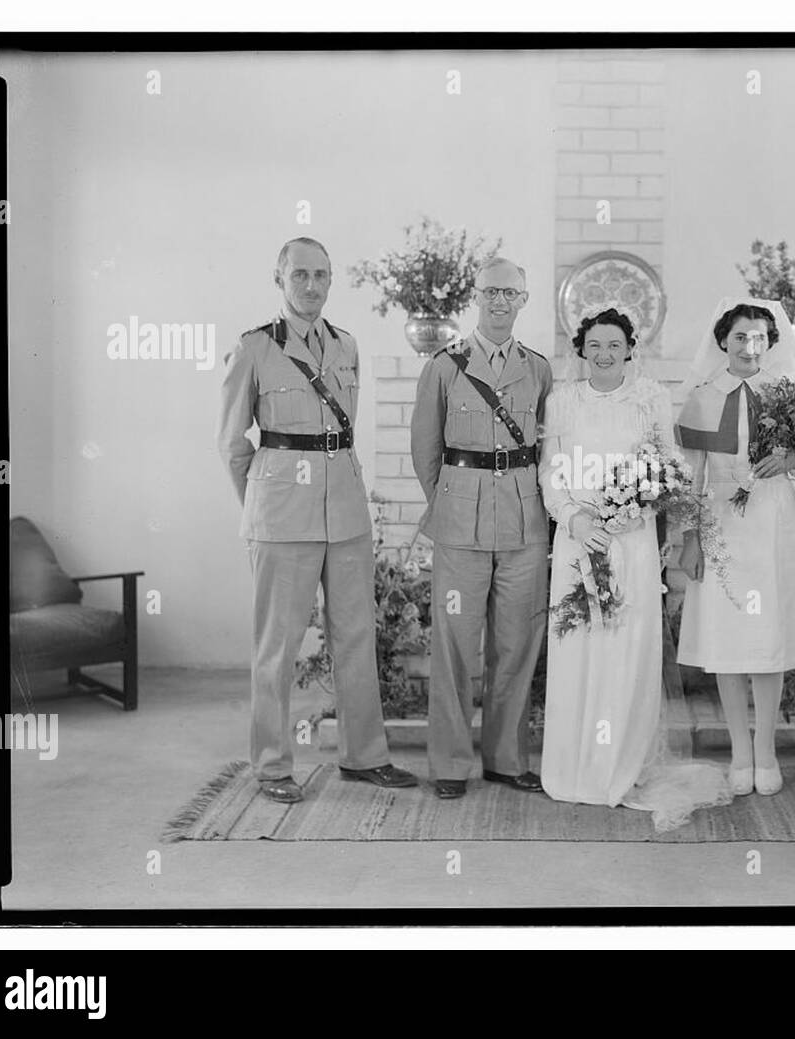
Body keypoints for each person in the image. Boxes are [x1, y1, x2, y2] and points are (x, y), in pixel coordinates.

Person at [218, 237, 417, 803]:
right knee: (277, 646)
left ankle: (364, 756)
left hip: (346, 512)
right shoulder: (255, 348)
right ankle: (273, 766)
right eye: (300, 274)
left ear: (332, 281)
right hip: (282, 516)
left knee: (356, 636)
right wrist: (261, 508)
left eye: (321, 275)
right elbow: (233, 444)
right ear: (278, 279)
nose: (311, 285)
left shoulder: (347, 346)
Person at [538, 309, 732, 831]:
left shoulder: (649, 397)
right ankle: (576, 768)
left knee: (628, 648)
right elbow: (551, 471)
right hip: (579, 543)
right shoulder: (562, 401)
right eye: (594, 345)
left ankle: (623, 765)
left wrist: (632, 508)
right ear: (581, 350)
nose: (604, 353)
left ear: (629, 349)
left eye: (614, 344)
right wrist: (576, 519)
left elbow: (669, 463)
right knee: (580, 647)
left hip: (631, 542)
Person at [674, 298, 795, 797]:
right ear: (723, 341)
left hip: (773, 523)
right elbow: (690, 476)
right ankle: (739, 754)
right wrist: (690, 537)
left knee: (768, 640)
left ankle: (766, 751)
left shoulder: (786, 393)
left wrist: (789, 458)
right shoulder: (702, 395)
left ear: (771, 342)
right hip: (720, 520)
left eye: (759, 337)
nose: (749, 345)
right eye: (740, 336)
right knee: (727, 640)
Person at [410, 257, 554, 800]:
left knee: (516, 645)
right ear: (476, 295)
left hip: (523, 523)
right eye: (491, 291)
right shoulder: (445, 365)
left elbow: (547, 445)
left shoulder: (537, 368)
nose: (499, 301)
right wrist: (451, 501)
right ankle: (449, 762)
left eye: (510, 293)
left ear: (523, 300)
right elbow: (426, 450)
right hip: (460, 524)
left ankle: (505, 759)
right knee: (453, 646)